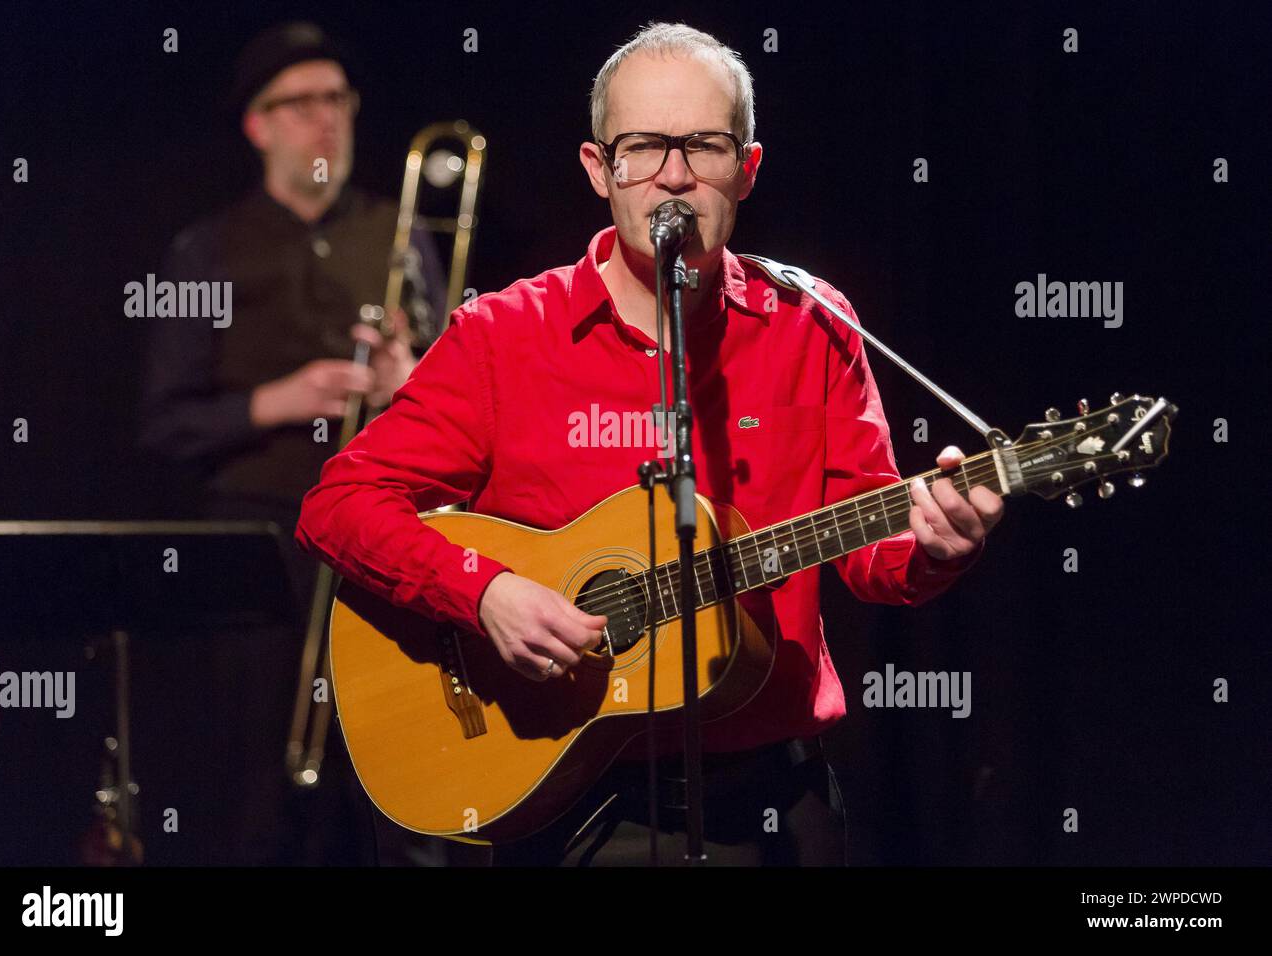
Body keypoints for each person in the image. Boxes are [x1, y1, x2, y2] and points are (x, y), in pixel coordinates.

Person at [296, 22, 1004, 866]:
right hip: (563, 793)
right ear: (600, 169)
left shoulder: (812, 324)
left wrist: (935, 546)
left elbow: (871, 550)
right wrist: (483, 593)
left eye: (704, 146)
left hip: (772, 801)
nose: (674, 175)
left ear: (747, 168)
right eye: (643, 147)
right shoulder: (505, 334)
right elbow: (337, 505)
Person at [140, 22, 447, 865]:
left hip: (385, 534)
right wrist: (279, 400)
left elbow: (460, 402)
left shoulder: (398, 233)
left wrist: (405, 379)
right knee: (256, 801)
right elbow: (165, 423)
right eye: (301, 103)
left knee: (396, 794)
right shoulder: (203, 250)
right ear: (258, 125)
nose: (326, 121)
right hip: (261, 550)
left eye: (337, 99)